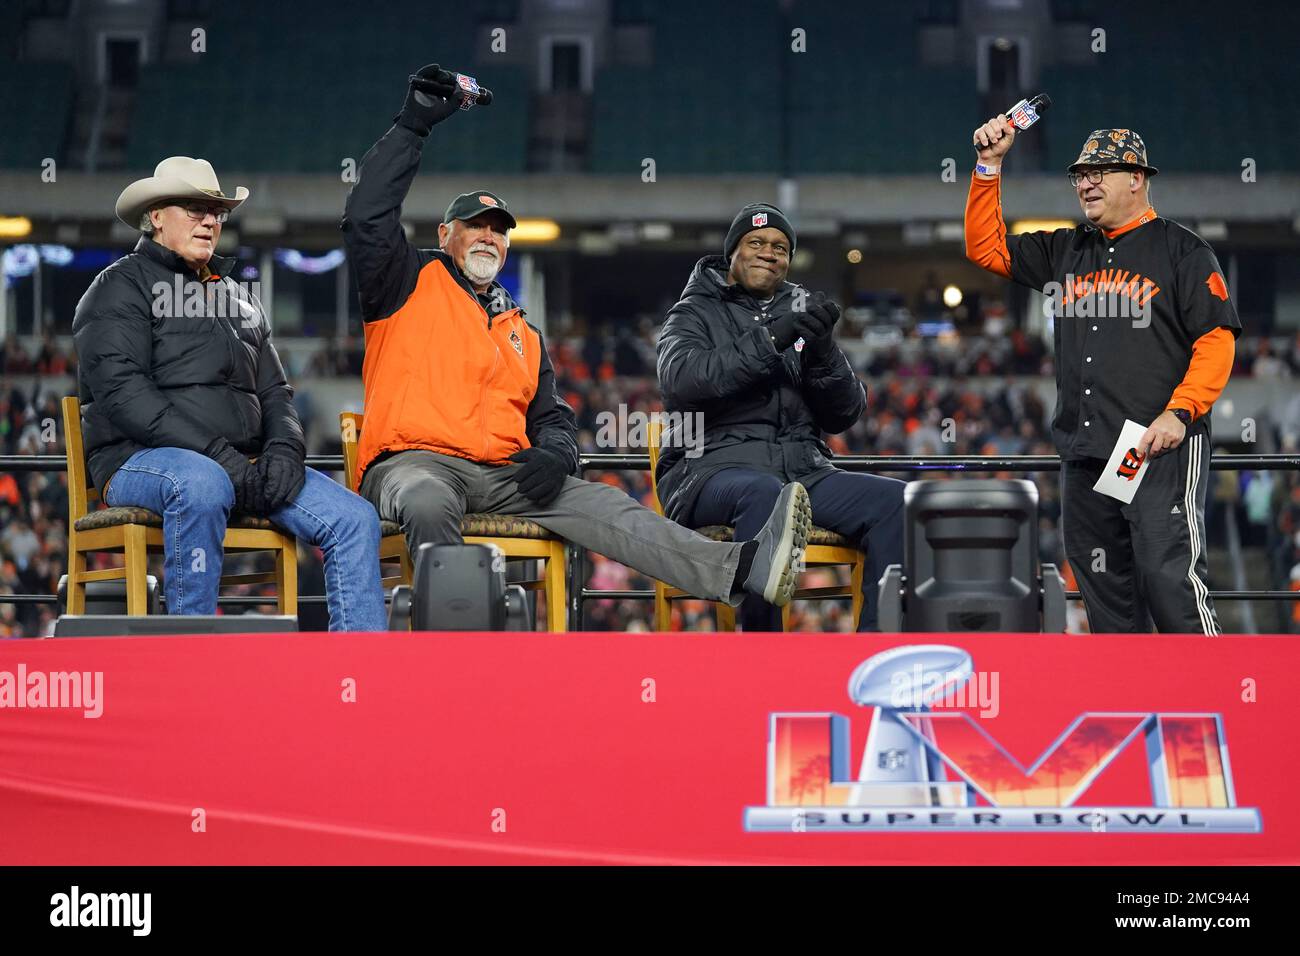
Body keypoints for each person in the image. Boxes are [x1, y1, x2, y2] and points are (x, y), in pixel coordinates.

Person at [340, 65, 811, 618]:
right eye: (475, 225)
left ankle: (741, 570)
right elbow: (366, 217)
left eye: (499, 229)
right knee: (426, 499)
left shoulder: (523, 331)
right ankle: (454, 649)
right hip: (415, 465)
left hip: (505, 474)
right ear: (446, 235)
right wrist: (412, 128)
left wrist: (556, 453)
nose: (489, 235)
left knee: (608, 503)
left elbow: (554, 418)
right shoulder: (403, 281)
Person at [73, 156, 387, 630]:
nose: (209, 220)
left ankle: (361, 680)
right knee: (202, 482)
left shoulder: (239, 298)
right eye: (193, 208)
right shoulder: (117, 287)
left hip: (243, 466)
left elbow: (277, 392)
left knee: (354, 519)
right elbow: (124, 394)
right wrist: (221, 456)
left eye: (215, 211)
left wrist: (284, 451)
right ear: (156, 216)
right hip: (137, 459)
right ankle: (192, 658)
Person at [965, 119, 1239, 634]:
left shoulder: (1183, 250)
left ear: (1136, 177)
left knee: (1170, 580)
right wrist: (989, 166)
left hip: (1156, 448)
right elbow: (987, 248)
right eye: (1079, 175)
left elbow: (1217, 339)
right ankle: (1131, 705)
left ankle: (1215, 700)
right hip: (1086, 451)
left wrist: (1181, 412)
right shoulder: (1065, 249)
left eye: (1099, 172)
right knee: (1106, 595)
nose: (1085, 183)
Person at [656, 203, 906, 631]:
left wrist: (825, 350)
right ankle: (762, 647)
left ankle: (876, 647)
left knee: (898, 502)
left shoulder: (800, 313)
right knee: (767, 495)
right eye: (755, 243)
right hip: (709, 470)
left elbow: (845, 413)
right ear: (732, 253)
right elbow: (683, 382)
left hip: (802, 472)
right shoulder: (693, 312)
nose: (769, 253)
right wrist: (771, 339)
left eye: (780, 248)